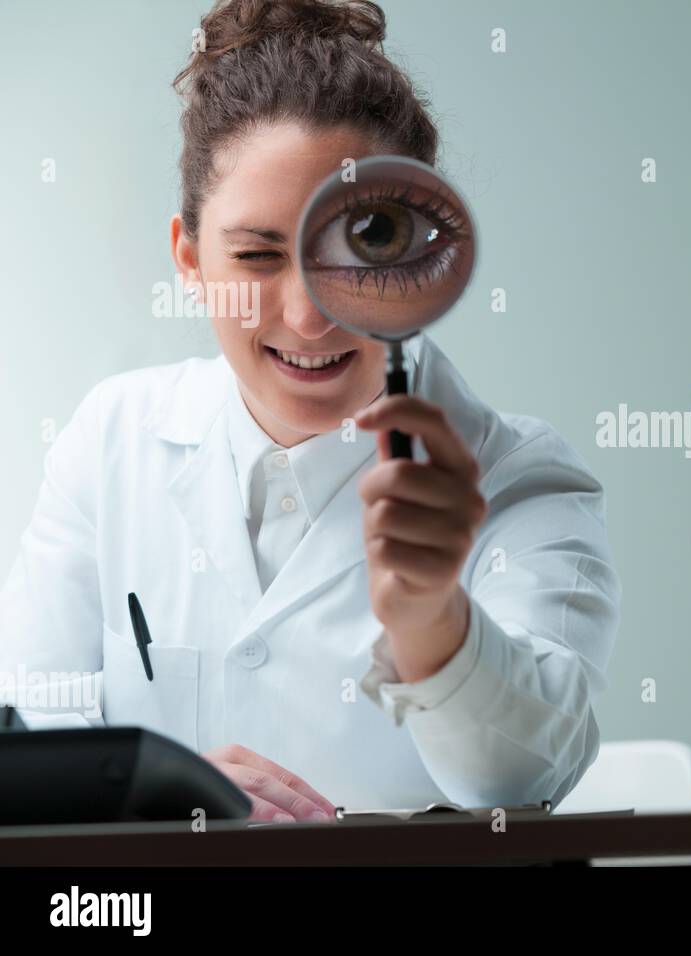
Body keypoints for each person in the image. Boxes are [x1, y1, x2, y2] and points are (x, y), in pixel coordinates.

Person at [0, 0, 619, 822]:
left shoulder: (520, 482)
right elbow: (30, 727)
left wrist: (435, 622)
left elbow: (523, 778)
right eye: (256, 256)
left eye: (361, 243)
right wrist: (158, 791)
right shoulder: (109, 441)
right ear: (188, 258)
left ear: (421, 252)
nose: (308, 316)